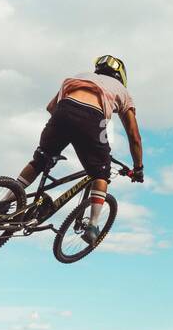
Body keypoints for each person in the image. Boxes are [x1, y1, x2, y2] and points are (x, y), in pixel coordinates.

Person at [16, 55, 144, 244]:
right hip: (93, 118)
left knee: (40, 160)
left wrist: (61, 136)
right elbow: (134, 136)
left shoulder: (80, 76)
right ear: (121, 75)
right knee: (101, 173)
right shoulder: (123, 91)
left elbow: (51, 108)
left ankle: (5, 201)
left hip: (62, 112)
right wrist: (138, 168)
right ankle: (92, 226)